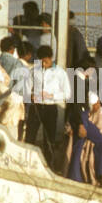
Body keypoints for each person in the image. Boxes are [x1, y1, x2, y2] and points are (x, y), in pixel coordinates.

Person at [31, 43, 70, 172]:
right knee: (30, 137)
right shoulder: (34, 71)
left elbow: (67, 93)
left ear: (51, 58)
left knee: (50, 138)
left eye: (46, 61)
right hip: (36, 107)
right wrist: (30, 95)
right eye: (41, 61)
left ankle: (50, 166)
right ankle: (30, 163)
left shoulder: (60, 73)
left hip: (50, 108)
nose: (43, 64)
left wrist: (51, 95)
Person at [68, 92, 102, 185]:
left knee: (100, 141)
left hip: (81, 118)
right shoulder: (84, 109)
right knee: (79, 146)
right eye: (98, 104)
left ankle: (76, 176)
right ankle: (76, 176)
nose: (99, 106)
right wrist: (81, 125)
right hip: (82, 119)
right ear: (94, 104)